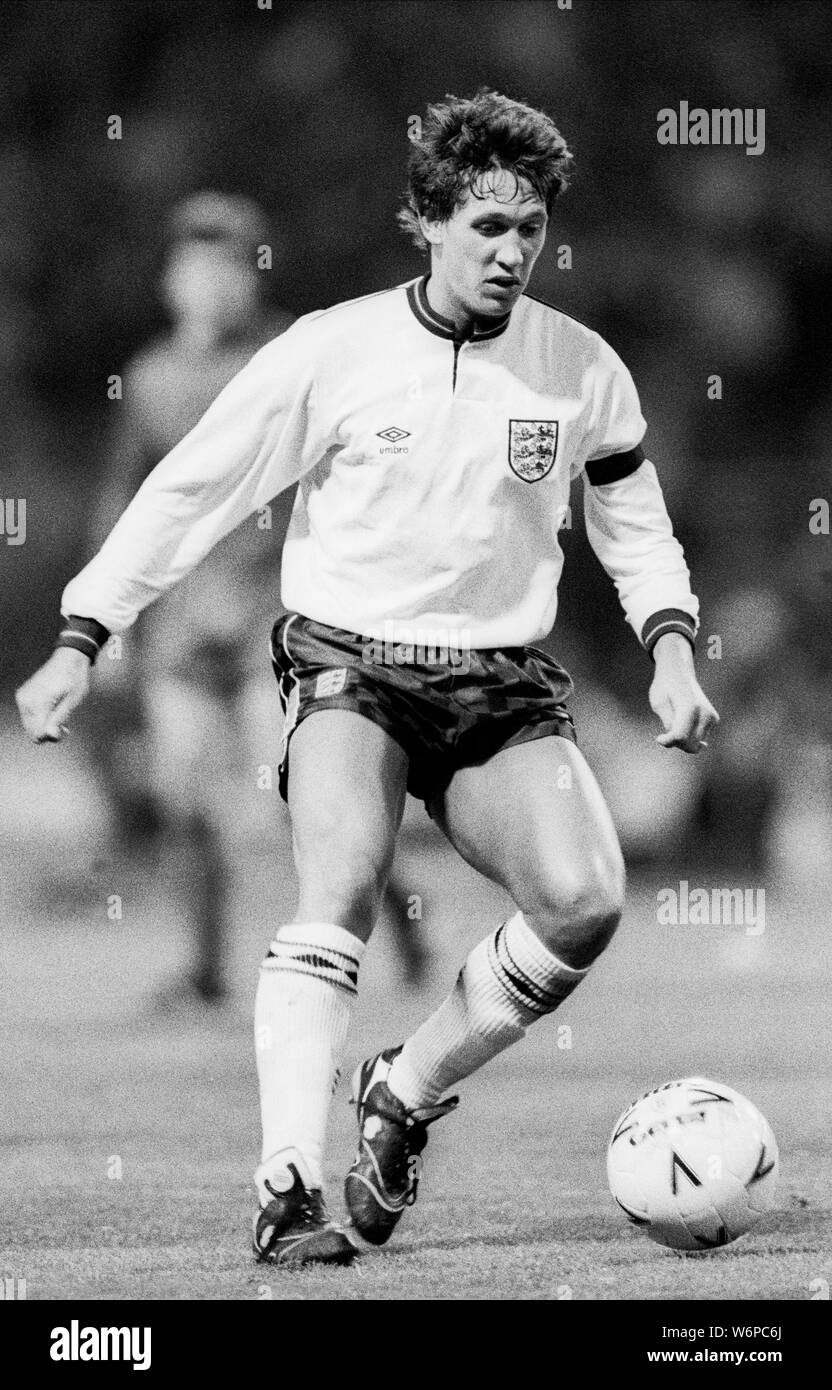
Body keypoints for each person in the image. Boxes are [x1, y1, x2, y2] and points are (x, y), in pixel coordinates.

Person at [16, 89, 718, 1267]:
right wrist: (85, 630)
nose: (511, 251)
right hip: (350, 663)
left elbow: (633, 523)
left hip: (500, 681)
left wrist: (671, 650)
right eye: (487, 226)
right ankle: (288, 1187)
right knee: (337, 882)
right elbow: (193, 489)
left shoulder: (579, 367)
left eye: (529, 227)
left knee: (586, 902)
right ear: (430, 223)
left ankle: (405, 1085)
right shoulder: (329, 350)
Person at [82, 191, 295, 1004]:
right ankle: (206, 973)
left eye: (227, 264)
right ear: (171, 277)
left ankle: (403, 935)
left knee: (296, 791)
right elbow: (123, 504)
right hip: (182, 620)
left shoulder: (288, 356)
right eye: (193, 264)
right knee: (183, 793)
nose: (208, 281)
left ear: (252, 274)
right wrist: (105, 622)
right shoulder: (148, 378)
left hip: (277, 614)